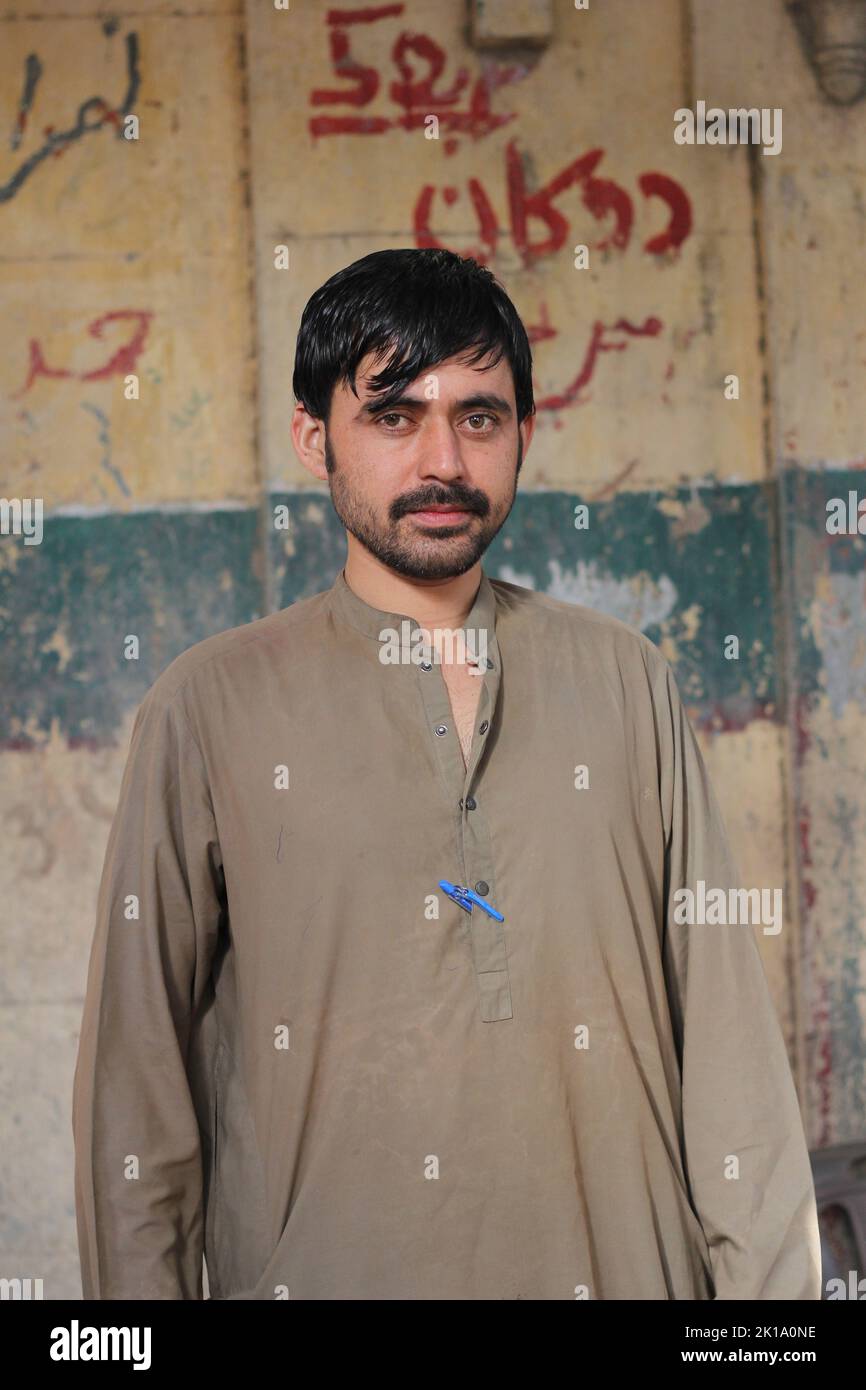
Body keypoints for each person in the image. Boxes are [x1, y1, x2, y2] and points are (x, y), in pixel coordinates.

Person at [72, 247, 822, 1300]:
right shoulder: (208, 709)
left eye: (478, 417)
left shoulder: (624, 682)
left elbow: (731, 1055)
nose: (443, 461)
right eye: (392, 415)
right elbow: (134, 1097)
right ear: (312, 436)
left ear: (523, 433)